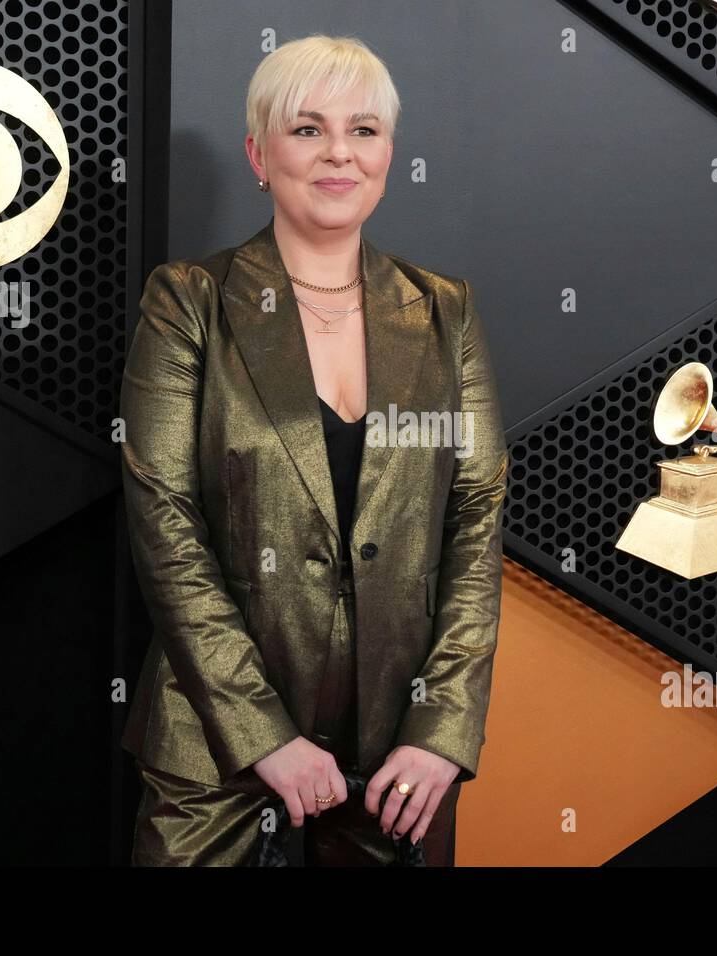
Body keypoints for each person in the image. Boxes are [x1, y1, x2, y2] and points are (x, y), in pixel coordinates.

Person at [119, 34, 507, 866]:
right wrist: (262, 734)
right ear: (260, 154)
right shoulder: (190, 301)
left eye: (363, 130)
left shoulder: (448, 312)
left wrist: (443, 730)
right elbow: (165, 522)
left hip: (399, 760)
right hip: (215, 750)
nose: (339, 152)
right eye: (307, 129)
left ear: (389, 153)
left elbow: (476, 524)